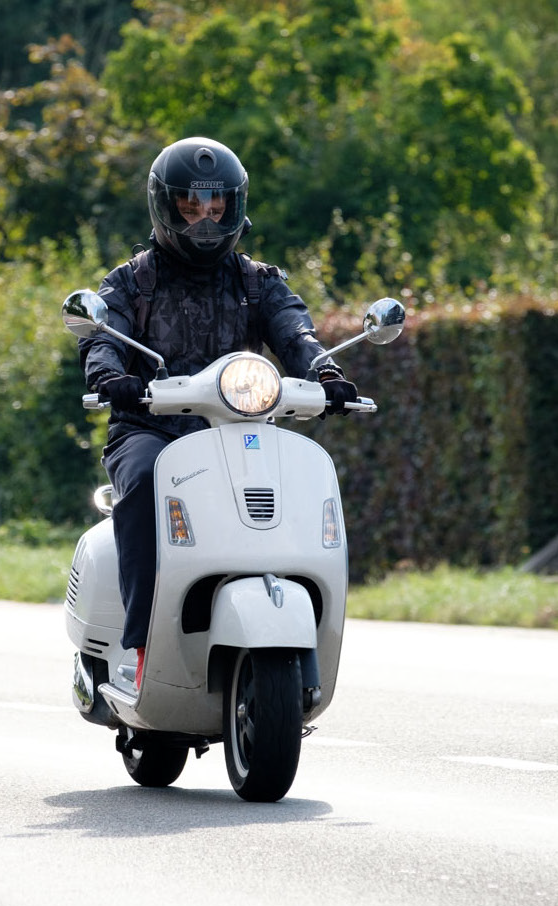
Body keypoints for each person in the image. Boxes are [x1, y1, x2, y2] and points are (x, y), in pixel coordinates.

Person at [80, 136, 359, 670]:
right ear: (166, 207)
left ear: (235, 207)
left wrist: (326, 372)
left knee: (301, 484)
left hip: (239, 431)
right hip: (150, 427)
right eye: (191, 207)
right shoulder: (132, 282)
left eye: (216, 206)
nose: (205, 220)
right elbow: (102, 337)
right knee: (142, 480)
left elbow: (296, 331)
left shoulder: (257, 282)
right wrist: (110, 375)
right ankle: (142, 641)